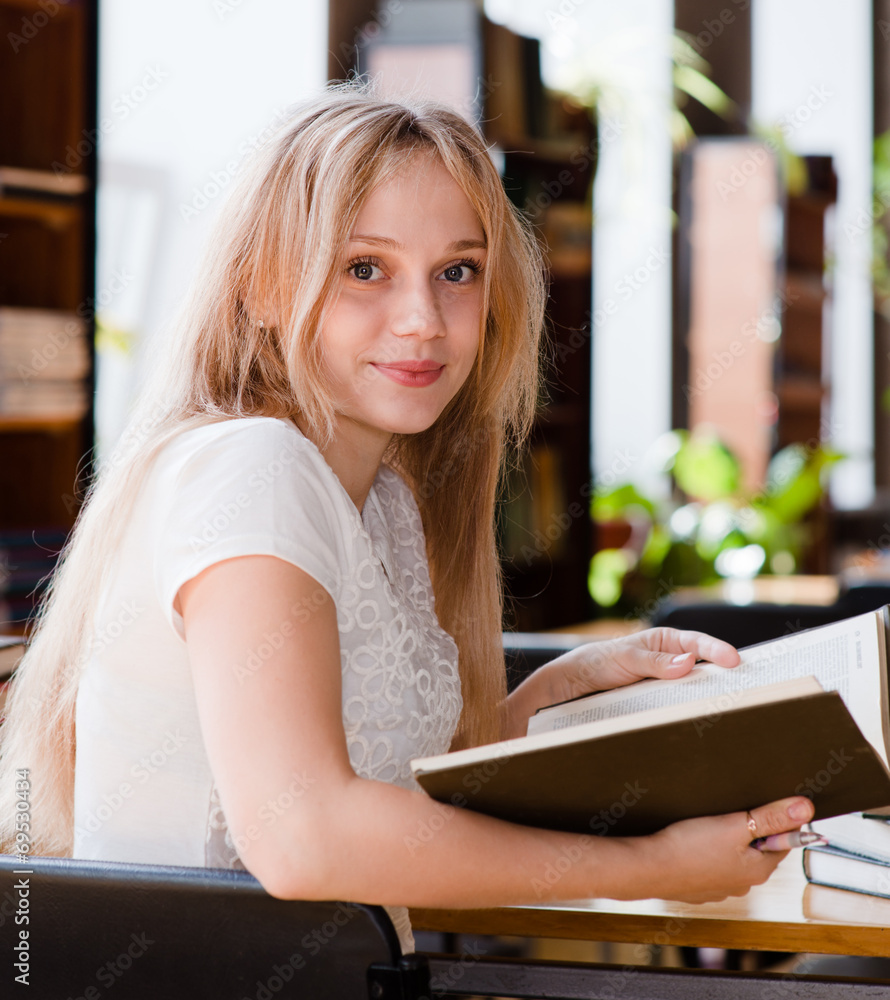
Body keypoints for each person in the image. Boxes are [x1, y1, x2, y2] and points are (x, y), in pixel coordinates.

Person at [0, 81, 813, 954]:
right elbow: (306, 838)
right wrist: (654, 871)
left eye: (457, 272)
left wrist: (559, 691)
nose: (423, 320)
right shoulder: (253, 471)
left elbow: (381, 782)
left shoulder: (381, 499)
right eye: (364, 269)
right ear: (264, 286)